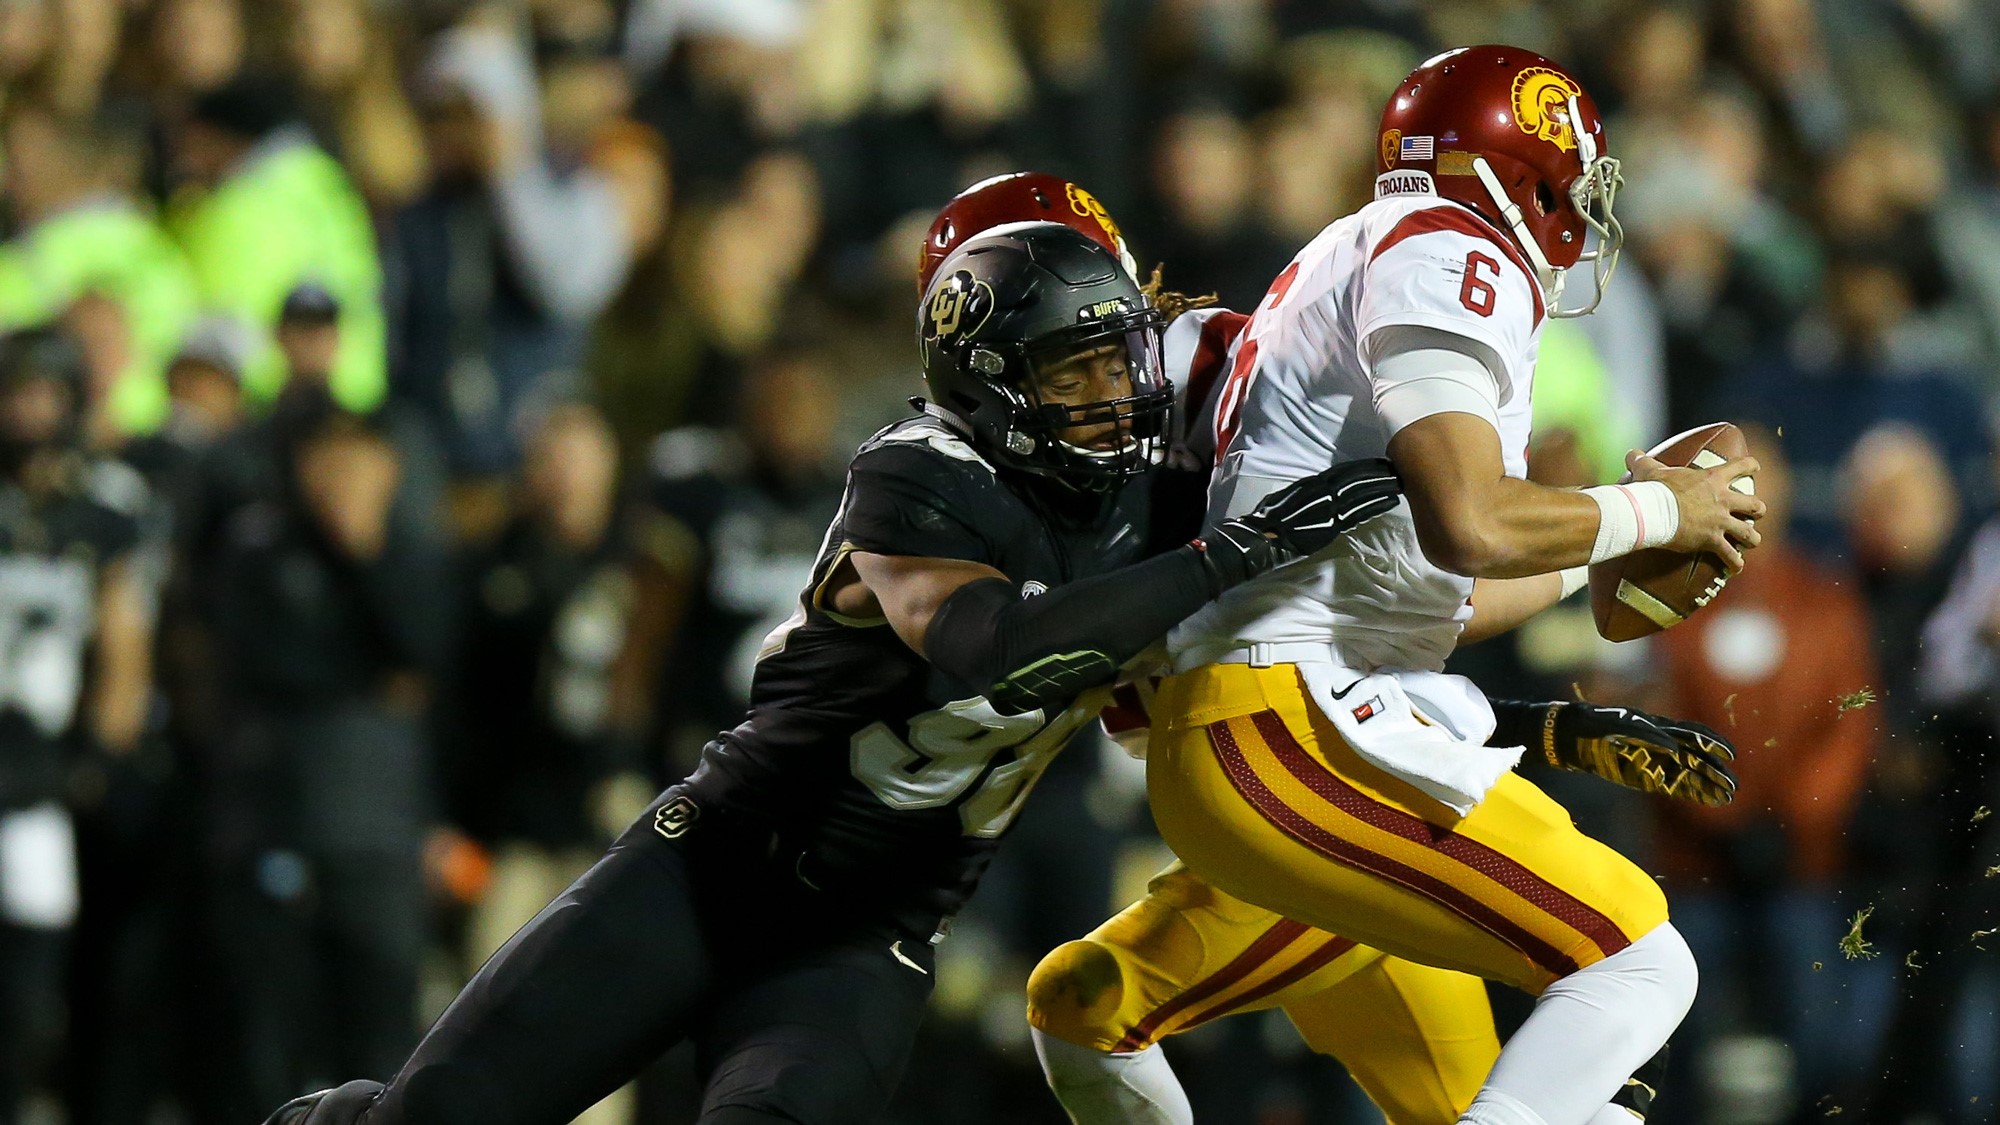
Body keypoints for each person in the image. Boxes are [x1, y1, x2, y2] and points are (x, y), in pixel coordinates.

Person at [262, 223, 1403, 1124]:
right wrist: (1235, 552)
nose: (1113, 394)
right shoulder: (920, 472)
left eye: (1118, 359)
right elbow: (998, 647)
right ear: (990, 380)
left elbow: (1303, 690)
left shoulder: (1157, 508)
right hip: (710, 871)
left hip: (868, 938)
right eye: (1071, 370)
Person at [909, 173, 1735, 1124]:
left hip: (1308, 750)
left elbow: (1384, 594)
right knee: (1619, 986)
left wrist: (1554, 672)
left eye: (1103, 334)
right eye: (1061, 356)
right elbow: (1396, 584)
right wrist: (1626, 533)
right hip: (1280, 758)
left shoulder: (1204, 379)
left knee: (1547, 1066)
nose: (1103, 380)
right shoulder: (986, 490)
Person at [1130, 45, 1761, 1125]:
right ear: (1523, 179)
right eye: (1574, 183)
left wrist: (1595, 550)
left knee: (1507, 1099)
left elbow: (1432, 594)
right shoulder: (1447, 252)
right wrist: (1661, 512)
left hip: (1269, 721)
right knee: (1636, 968)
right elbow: (1468, 523)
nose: (1583, 212)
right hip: (1288, 730)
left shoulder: (1364, 248)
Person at [0, 328, 153, 1119]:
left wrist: (99, 751)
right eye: (15, 390)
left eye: (43, 391)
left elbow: (124, 642)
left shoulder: (102, 507)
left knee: (33, 987)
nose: (28, 410)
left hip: (40, 768)